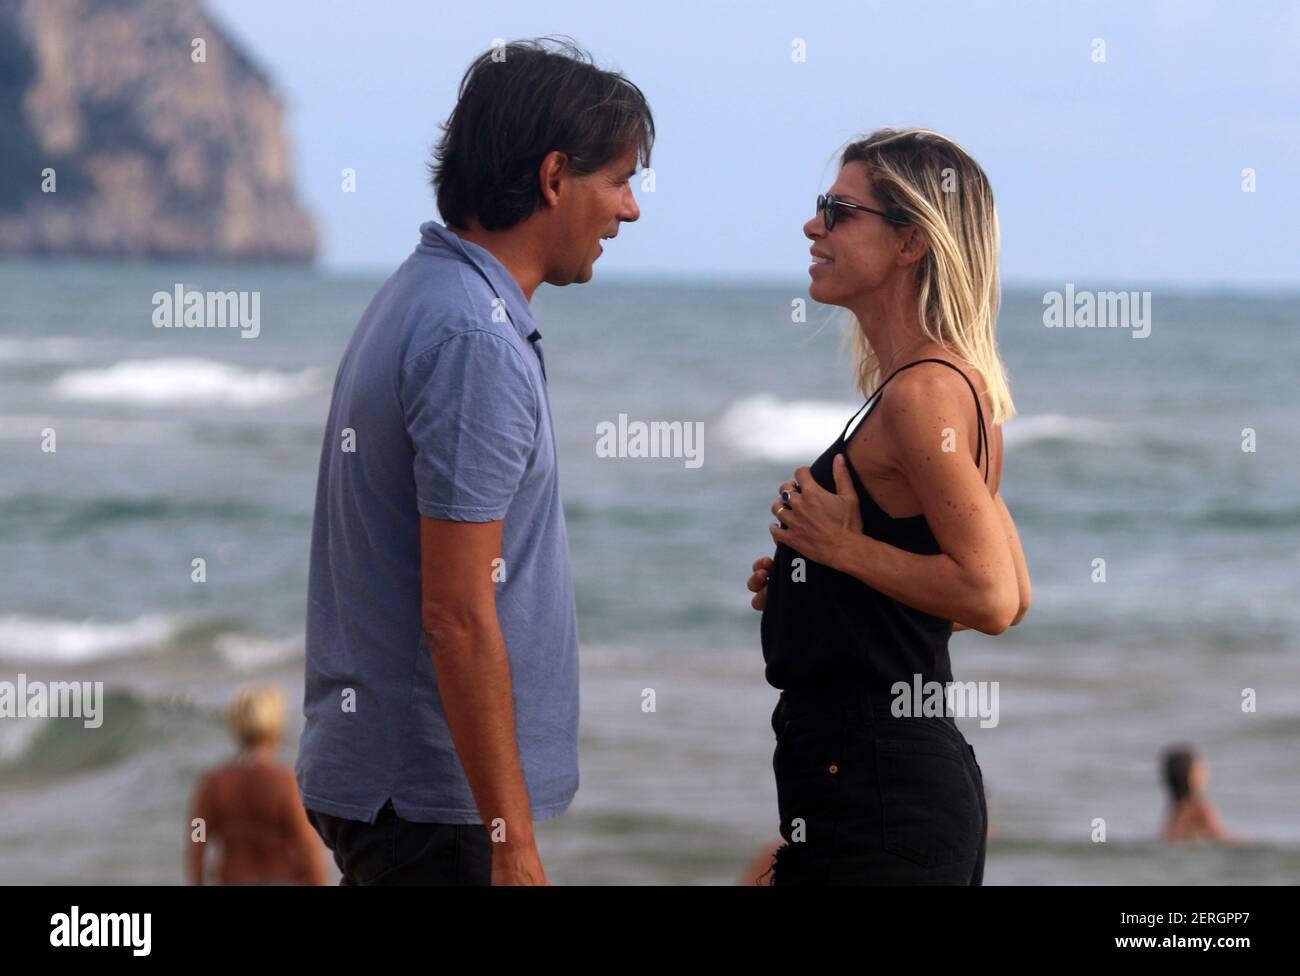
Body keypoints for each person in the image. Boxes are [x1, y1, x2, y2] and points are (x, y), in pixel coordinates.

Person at [295, 37, 653, 885]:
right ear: (556, 177)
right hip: (426, 803)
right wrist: (512, 842)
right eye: (618, 181)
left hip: (407, 792)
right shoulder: (471, 338)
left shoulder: (428, 295)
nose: (630, 210)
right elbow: (456, 612)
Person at [747, 128, 1031, 884]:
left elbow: (995, 598)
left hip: (880, 794)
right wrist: (823, 589)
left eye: (839, 211)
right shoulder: (952, 386)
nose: (814, 226)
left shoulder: (925, 394)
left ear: (910, 242)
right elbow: (1001, 588)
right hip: (878, 785)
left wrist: (843, 551)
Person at [187, 686, 327, 885]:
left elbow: (197, 840)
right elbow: (306, 844)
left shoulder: (212, 784)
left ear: (236, 725)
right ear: (276, 727)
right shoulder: (284, 782)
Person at [1161, 745, 1243, 843]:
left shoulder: (1177, 809)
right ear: (1192, 776)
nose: (1207, 772)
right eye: (1202, 769)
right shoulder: (1200, 808)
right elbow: (1220, 836)